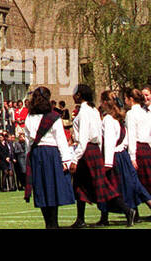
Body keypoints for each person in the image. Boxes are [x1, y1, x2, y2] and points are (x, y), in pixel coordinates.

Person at [23, 86, 75, 229]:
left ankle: (48, 224)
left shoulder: (29, 117)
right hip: (51, 154)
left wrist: (30, 156)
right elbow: (61, 140)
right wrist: (66, 159)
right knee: (52, 189)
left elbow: (28, 142)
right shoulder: (53, 117)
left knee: (41, 189)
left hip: (37, 154)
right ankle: (54, 223)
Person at [68, 84, 107, 229]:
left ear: (79, 95)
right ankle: (103, 217)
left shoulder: (84, 112)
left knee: (80, 185)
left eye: (75, 93)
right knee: (97, 184)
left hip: (86, 150)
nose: (73, 96)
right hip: (95, 149)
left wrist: (75, 159)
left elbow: (83, 138)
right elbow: (100, 135)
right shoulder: (94, 111)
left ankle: (81, 218)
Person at [125, 89, 151, 223]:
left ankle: (142, 212)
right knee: (148, 181)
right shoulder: (145, 112)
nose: (125, 101)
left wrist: (132, 156)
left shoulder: (131, 114)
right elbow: (149, 134)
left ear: (131, 99)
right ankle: (150, 210)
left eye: (126, 98)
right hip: (147, 148)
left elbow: (131, 135)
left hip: (137, 148)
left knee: (134, 182)